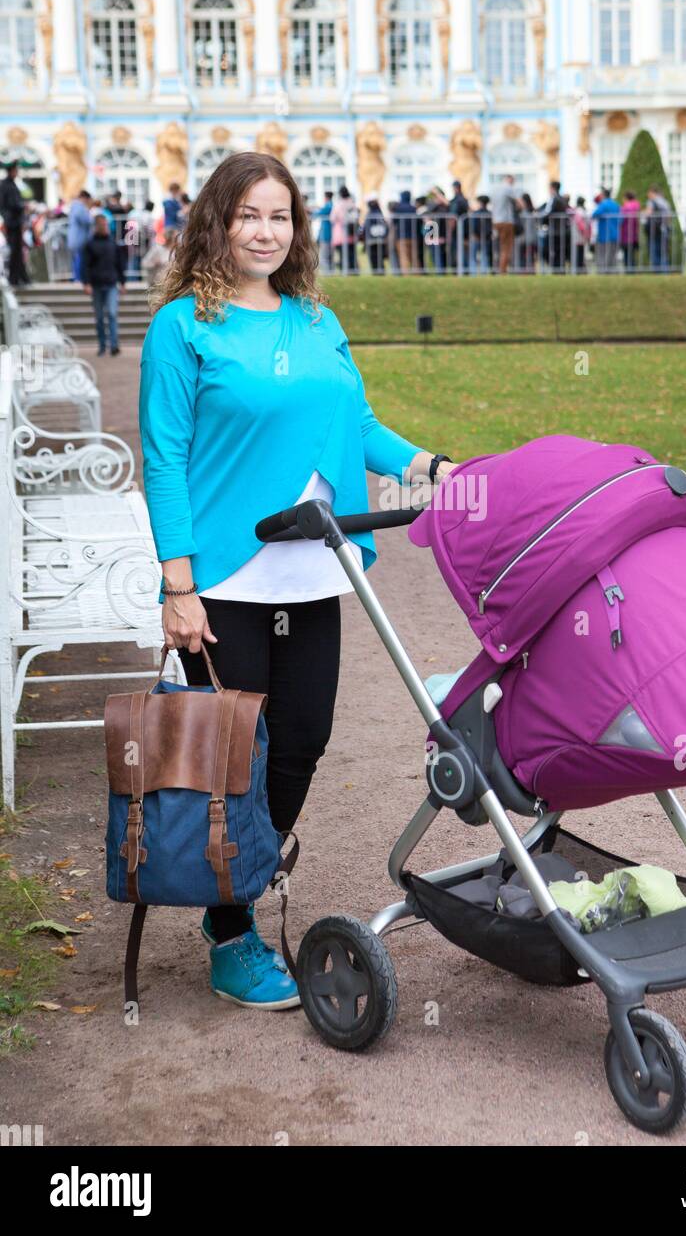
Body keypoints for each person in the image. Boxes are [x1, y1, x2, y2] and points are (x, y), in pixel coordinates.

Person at [138, 150, 457, 1009]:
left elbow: (354, 422)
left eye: (280, 217)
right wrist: (178, 584)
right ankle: (234, 931)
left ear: (297, 229)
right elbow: (164, 457)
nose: (266, 231)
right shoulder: (183, 327)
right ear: (217, 222)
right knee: (236, 754)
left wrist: (430, 465)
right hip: (227, 579)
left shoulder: (317, 318)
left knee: (304, 739)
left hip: (316, 568)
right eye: (249, 215)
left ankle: (235, 887)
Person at [80, 211, 126, 355]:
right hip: (97, 284)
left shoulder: (113, 243)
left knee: (112, 314)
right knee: (99, 317)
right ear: (97, 226)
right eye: (103, 225)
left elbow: (119, 264)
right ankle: (102, 345)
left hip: (111, 283)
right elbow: (85, 265)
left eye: (106, 224)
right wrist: (86, 283)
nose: (106, 227)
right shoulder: (90, 245)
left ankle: (114, 345)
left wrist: (122, 282)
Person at [0, 160, 29, 285]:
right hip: (13, 223)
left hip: (14, 222)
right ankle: (15, 278)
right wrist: (24, 206)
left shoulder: (10, 184)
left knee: (17, 251)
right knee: (15, 252)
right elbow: (13, 204)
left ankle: (20, 277)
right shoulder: (7, 185)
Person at [538, 180, 568, 273]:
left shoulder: (555, 198)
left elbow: (548, 212)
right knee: (559, 252)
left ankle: (556, 270)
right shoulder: (562, 198)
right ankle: (558, 270)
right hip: (560, 230)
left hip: (555, 231)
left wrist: (540, 220)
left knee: (548, 251)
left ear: (552, 188)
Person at [491, 174, 518, 274]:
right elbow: (519, 202)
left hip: (496, 221)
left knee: (498, 247)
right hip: (506, 222)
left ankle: (498, 269)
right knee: (506, 247)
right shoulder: (508, 188)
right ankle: (503, 270)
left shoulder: (495, 189)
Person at [66, 189, 94, 282]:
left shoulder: (74, 206)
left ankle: (77, 278)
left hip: (75, 238)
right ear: (85, 198)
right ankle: (78, 279)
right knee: (80, 259)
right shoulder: (79, 207)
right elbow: (87, 221)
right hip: (79, 239)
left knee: (77, 259)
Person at [331, 184, 359, 274]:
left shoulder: (338, 205)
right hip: (352, 233)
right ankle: (354, 271)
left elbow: (332, 218)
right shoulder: (352, 204)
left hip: (341, 234)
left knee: (343, 255)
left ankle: (345, 271)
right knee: (352, 254)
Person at [592, 188, 621, 273]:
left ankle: (603, 273)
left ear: (603, 195)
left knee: (602, 255)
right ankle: (612, 273)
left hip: (604, 235)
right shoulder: (616, 204)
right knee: (612, 256)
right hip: (615, 234)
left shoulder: (603, 204)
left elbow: (594, 214)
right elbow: (621, 219)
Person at [644, 185, 672, 272]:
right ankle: (665, 272)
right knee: (663, 253)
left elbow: (648, 213)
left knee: (654, 252)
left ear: (652, 193)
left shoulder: (651, 202)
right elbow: (669, 216)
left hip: (654, 230)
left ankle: (657, 272)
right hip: (663, 229)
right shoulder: (665, 202)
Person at [391, 188, 418, 273]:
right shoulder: (413, 208)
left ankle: (405, 273)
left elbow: (394, 221)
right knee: (414, 257)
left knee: (403, 257)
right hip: (413, 236)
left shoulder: (398, 208)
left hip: (401, 237)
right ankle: (417, 274)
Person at [360, 196, 389, 275]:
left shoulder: (369, 214)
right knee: (380, 259)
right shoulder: (380, 214)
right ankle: (381, 273)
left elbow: (364, 227)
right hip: (381, 241)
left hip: (371, 241)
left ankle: (376, 273)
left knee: (374, 259)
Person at [448, 179, 470, 274]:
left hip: (457, 232)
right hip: (464, 231)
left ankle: (458, 271)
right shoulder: (464, 199)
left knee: (456, 252)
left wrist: (449, 231)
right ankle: (464, 271)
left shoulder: (457, 200)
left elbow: (453, 217)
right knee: (464, 251)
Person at [469, 195, 493, 274]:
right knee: (484, 256)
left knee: (473, 257)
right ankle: (484, 272)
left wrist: (475, 235)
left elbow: (474, 226)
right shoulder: (489, 213)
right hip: (486, 238)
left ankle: (473, 273)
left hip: (477, 238)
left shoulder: (476, 213)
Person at [618, 190, 641, 273]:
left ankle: (628, 272)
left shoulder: (625, 208)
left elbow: (620, 220)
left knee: (627, 256)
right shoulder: (636, 206)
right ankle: (632, 271)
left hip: (625, 235)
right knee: (632, 255)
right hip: (634, 235)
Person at [311, 189, 333, 272]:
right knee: (327, 255)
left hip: (326, 234)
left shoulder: (328, 206)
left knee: (324, 255)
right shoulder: (329, 205)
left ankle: (327, 272)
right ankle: (329, 271)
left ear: (326, 197)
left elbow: (318, 214)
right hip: (326, 234)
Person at [516, 192, 538, 274]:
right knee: (529, 258)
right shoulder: (530, 212)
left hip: (526, 240)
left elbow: (528, 229)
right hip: (527, 239)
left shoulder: (526, 213)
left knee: (526, 258)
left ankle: (526, 273)